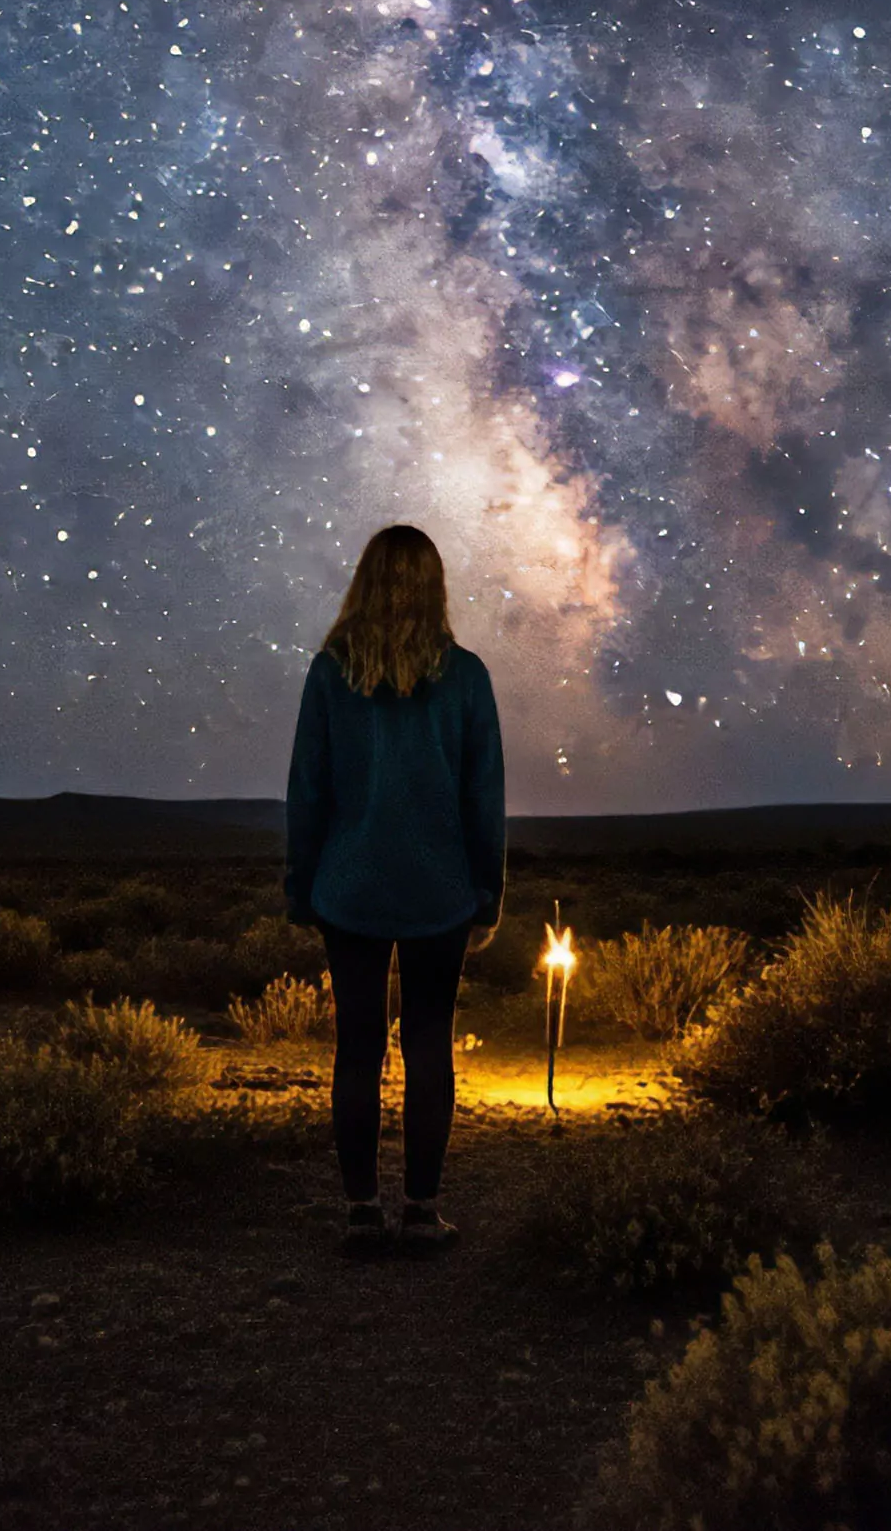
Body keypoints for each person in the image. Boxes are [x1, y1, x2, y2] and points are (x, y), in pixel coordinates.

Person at [284, 523, 505, 1253]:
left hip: (348, 888)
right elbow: (485, 796)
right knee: (429, 1046)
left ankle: (359, 1212)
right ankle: (420, 1210)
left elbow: (308, 792)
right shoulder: (466, 676)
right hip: (439, 889)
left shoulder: (330, 672)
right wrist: (487, 892)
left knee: (358, 1048)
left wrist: (300, 887)